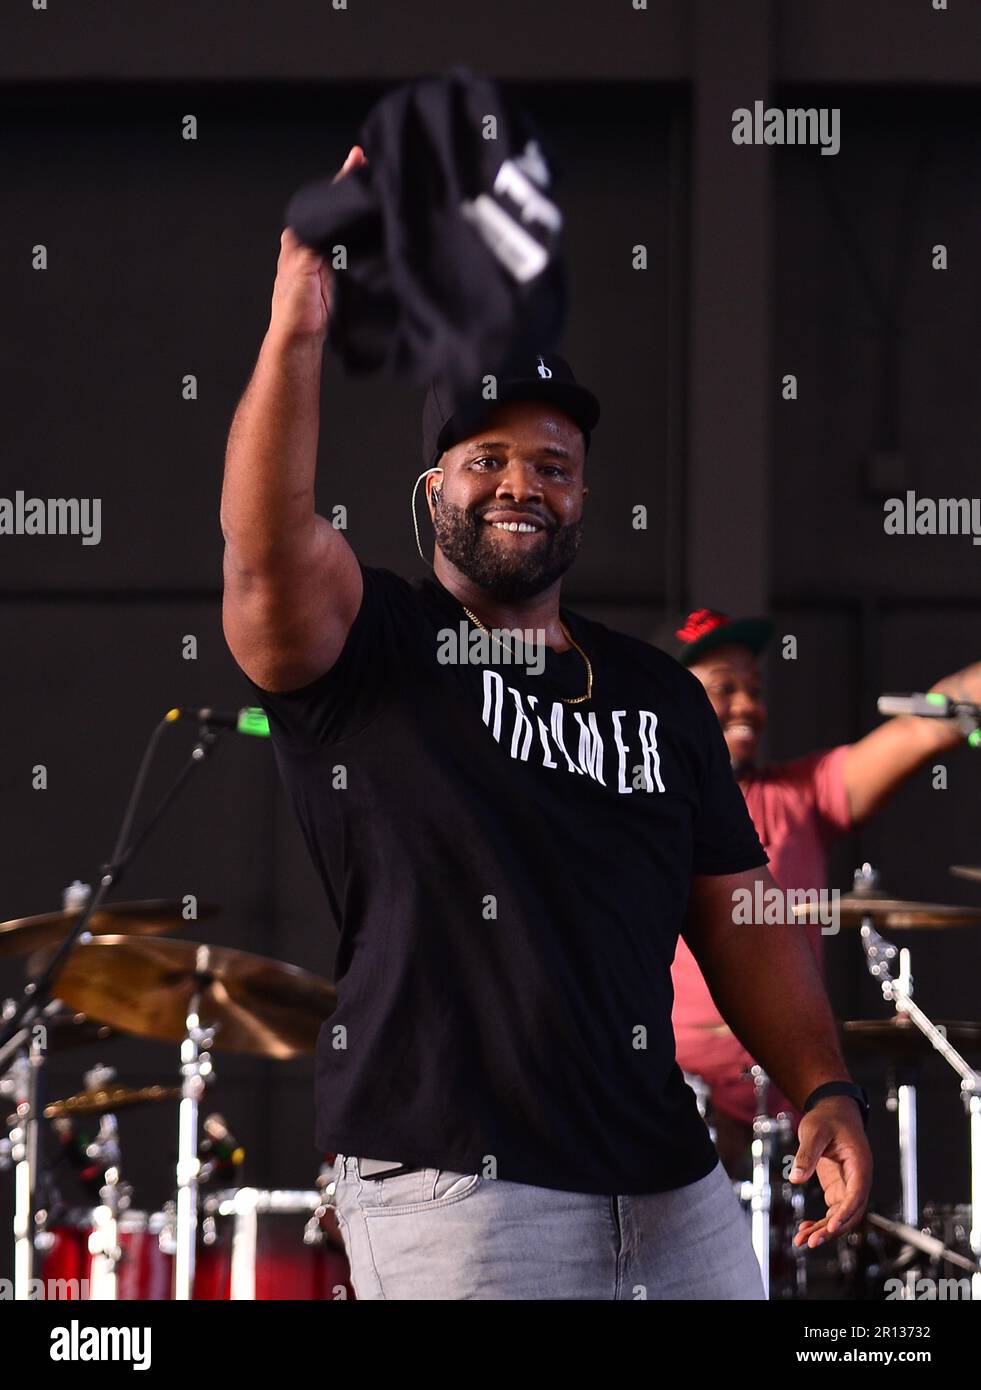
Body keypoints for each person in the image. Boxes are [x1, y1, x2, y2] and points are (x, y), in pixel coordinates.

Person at [219, 144, 872, 1300]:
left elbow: (738, 913)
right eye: (488, 459)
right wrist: (298, 330)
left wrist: (821, 1085)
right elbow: (267, 557)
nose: (522, 483)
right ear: (434, 491)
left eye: (553, 465)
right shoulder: (377, 647)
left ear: (582, 496)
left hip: (671, 1186)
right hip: (457, 1188)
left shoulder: (659, 693)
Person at [671, 606, 981, 1175]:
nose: (747, 706)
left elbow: (928, 724)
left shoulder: (802, 795)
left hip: (789, 1113)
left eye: (754, 690)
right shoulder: (638, 802)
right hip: (676, 1106)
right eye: (723, 688)